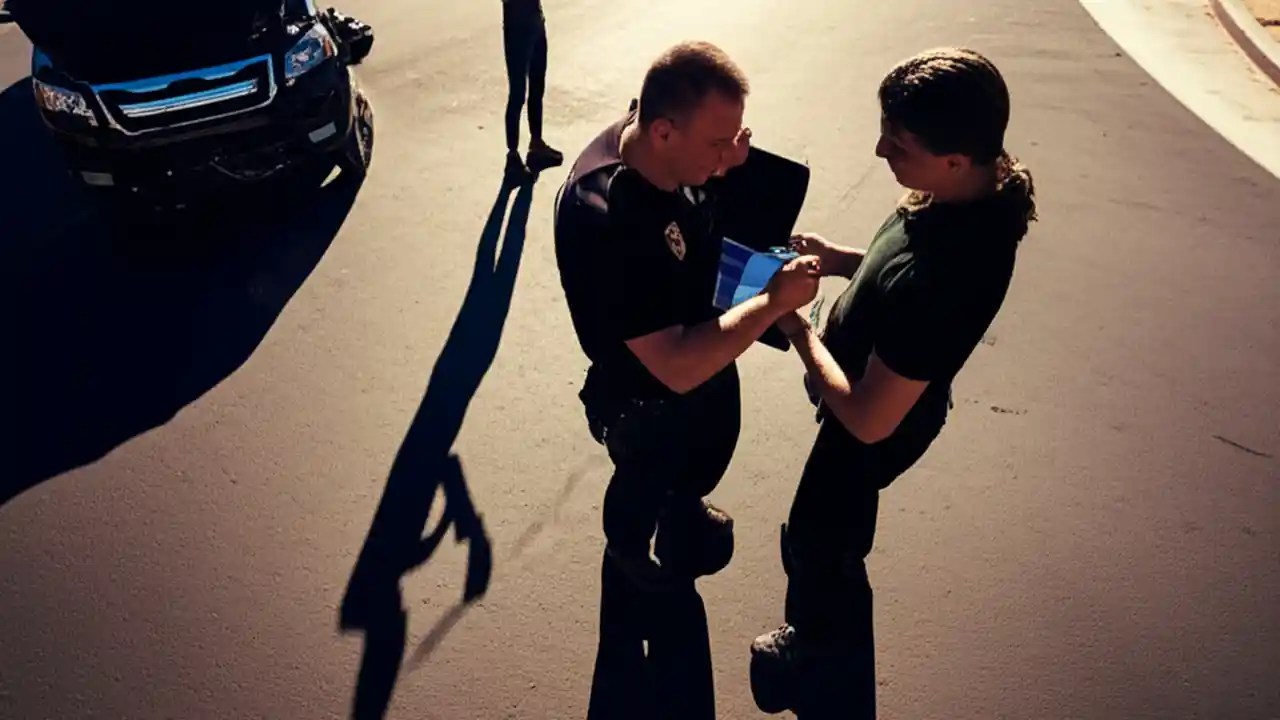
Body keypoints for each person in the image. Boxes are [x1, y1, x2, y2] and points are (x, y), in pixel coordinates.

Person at [748, 47, 1039, 717]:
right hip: (868, 400)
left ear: (955, 160)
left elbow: (871, 419)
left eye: (897, 142)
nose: (880, 148)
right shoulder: (957, 194)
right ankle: (825, 638)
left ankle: (821, 663)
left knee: (821, 543)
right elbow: (897, 254)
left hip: (872, 428)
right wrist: (843, 259)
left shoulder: (946, 281)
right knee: (826, 535)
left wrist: (796, 329)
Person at [553, 40, 821, 593]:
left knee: (694, 453)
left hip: (690, 327)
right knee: (643, 478)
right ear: (664, 131)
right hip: (641, 394)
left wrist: (729, 162)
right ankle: (628, 558)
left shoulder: (655, 141)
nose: (726, 156)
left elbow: (700, 214)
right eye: (716, 144)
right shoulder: (607, 220)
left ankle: (682, 508)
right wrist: (772, 301)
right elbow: (674, 365)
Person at [502, 0, 562, 180]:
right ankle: (512, 158)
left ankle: (536, 145)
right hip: (517, 26)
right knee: (518, 93)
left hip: (535, 20)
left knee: (537, 85)